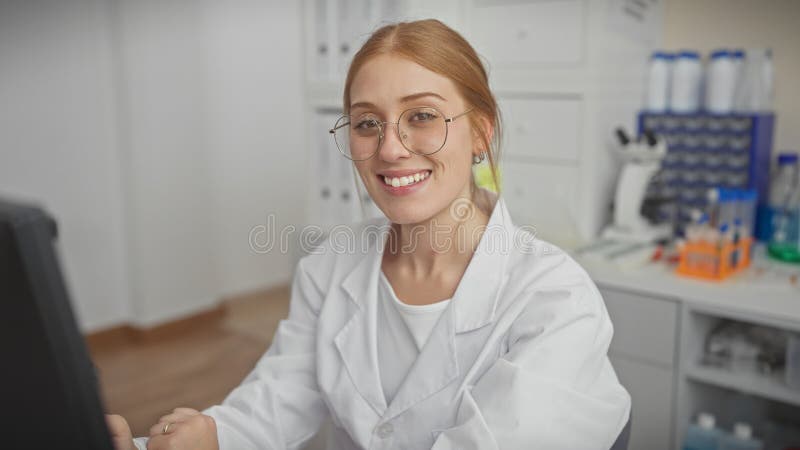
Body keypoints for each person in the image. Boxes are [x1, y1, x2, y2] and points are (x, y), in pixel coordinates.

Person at [106, 19, 631, 450]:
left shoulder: (555, 301)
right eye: (366, 123)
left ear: (480, 132)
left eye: (421, 116)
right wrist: (212, 435)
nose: (391, 148)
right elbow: (281, 397)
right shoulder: (329, 267)